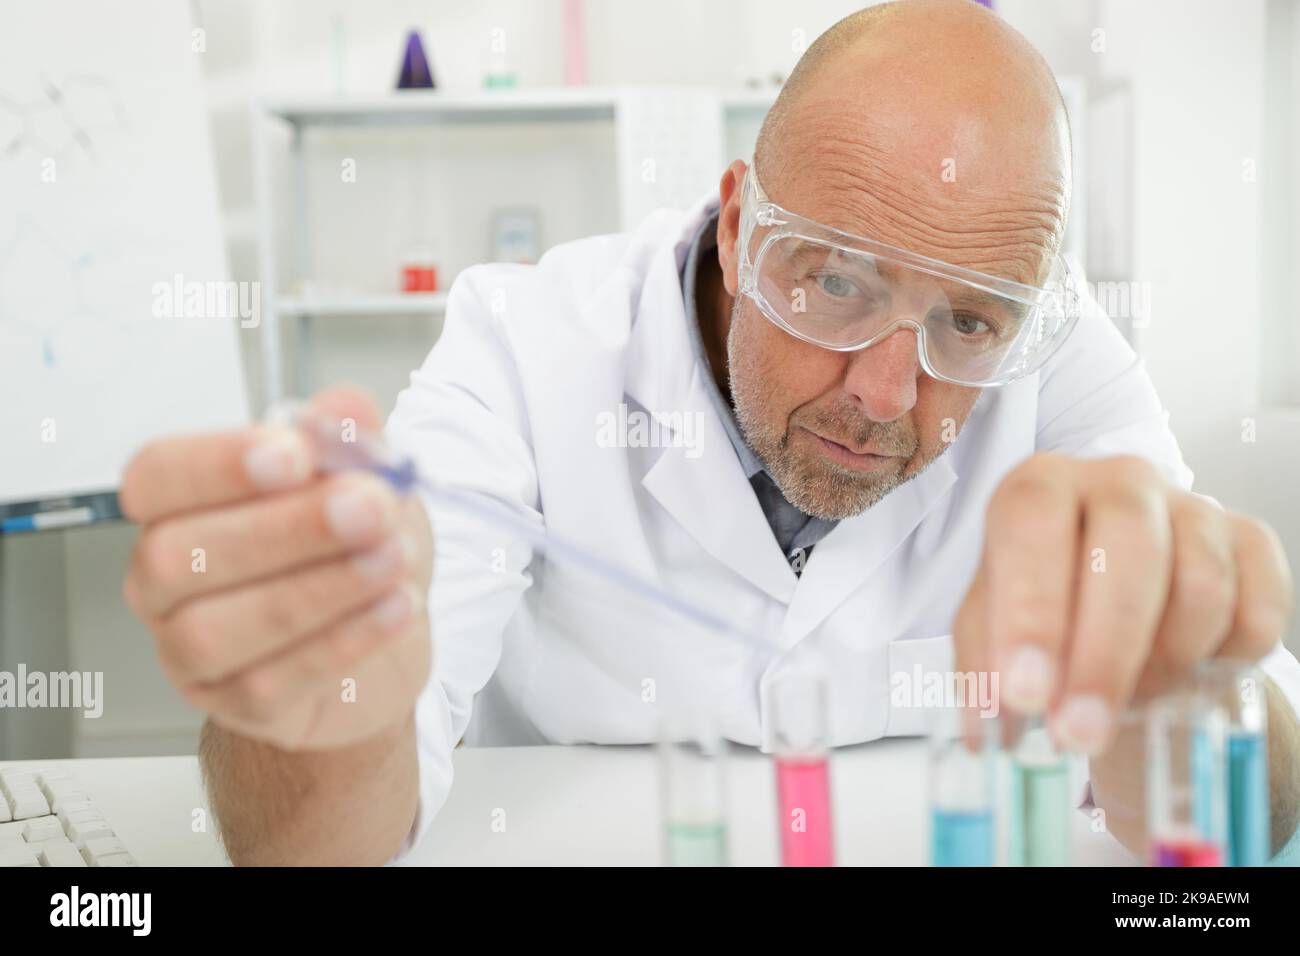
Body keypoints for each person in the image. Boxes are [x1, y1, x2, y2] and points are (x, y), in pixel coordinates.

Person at [120, 0, 1298, 865]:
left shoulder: (1052, 353)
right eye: (835, 282)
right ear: (738, 228)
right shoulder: (526, 344)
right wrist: (324, 697)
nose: (889, 390)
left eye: (966, 322)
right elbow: (317, 848)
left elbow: (1248, 812)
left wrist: (1181, 690)